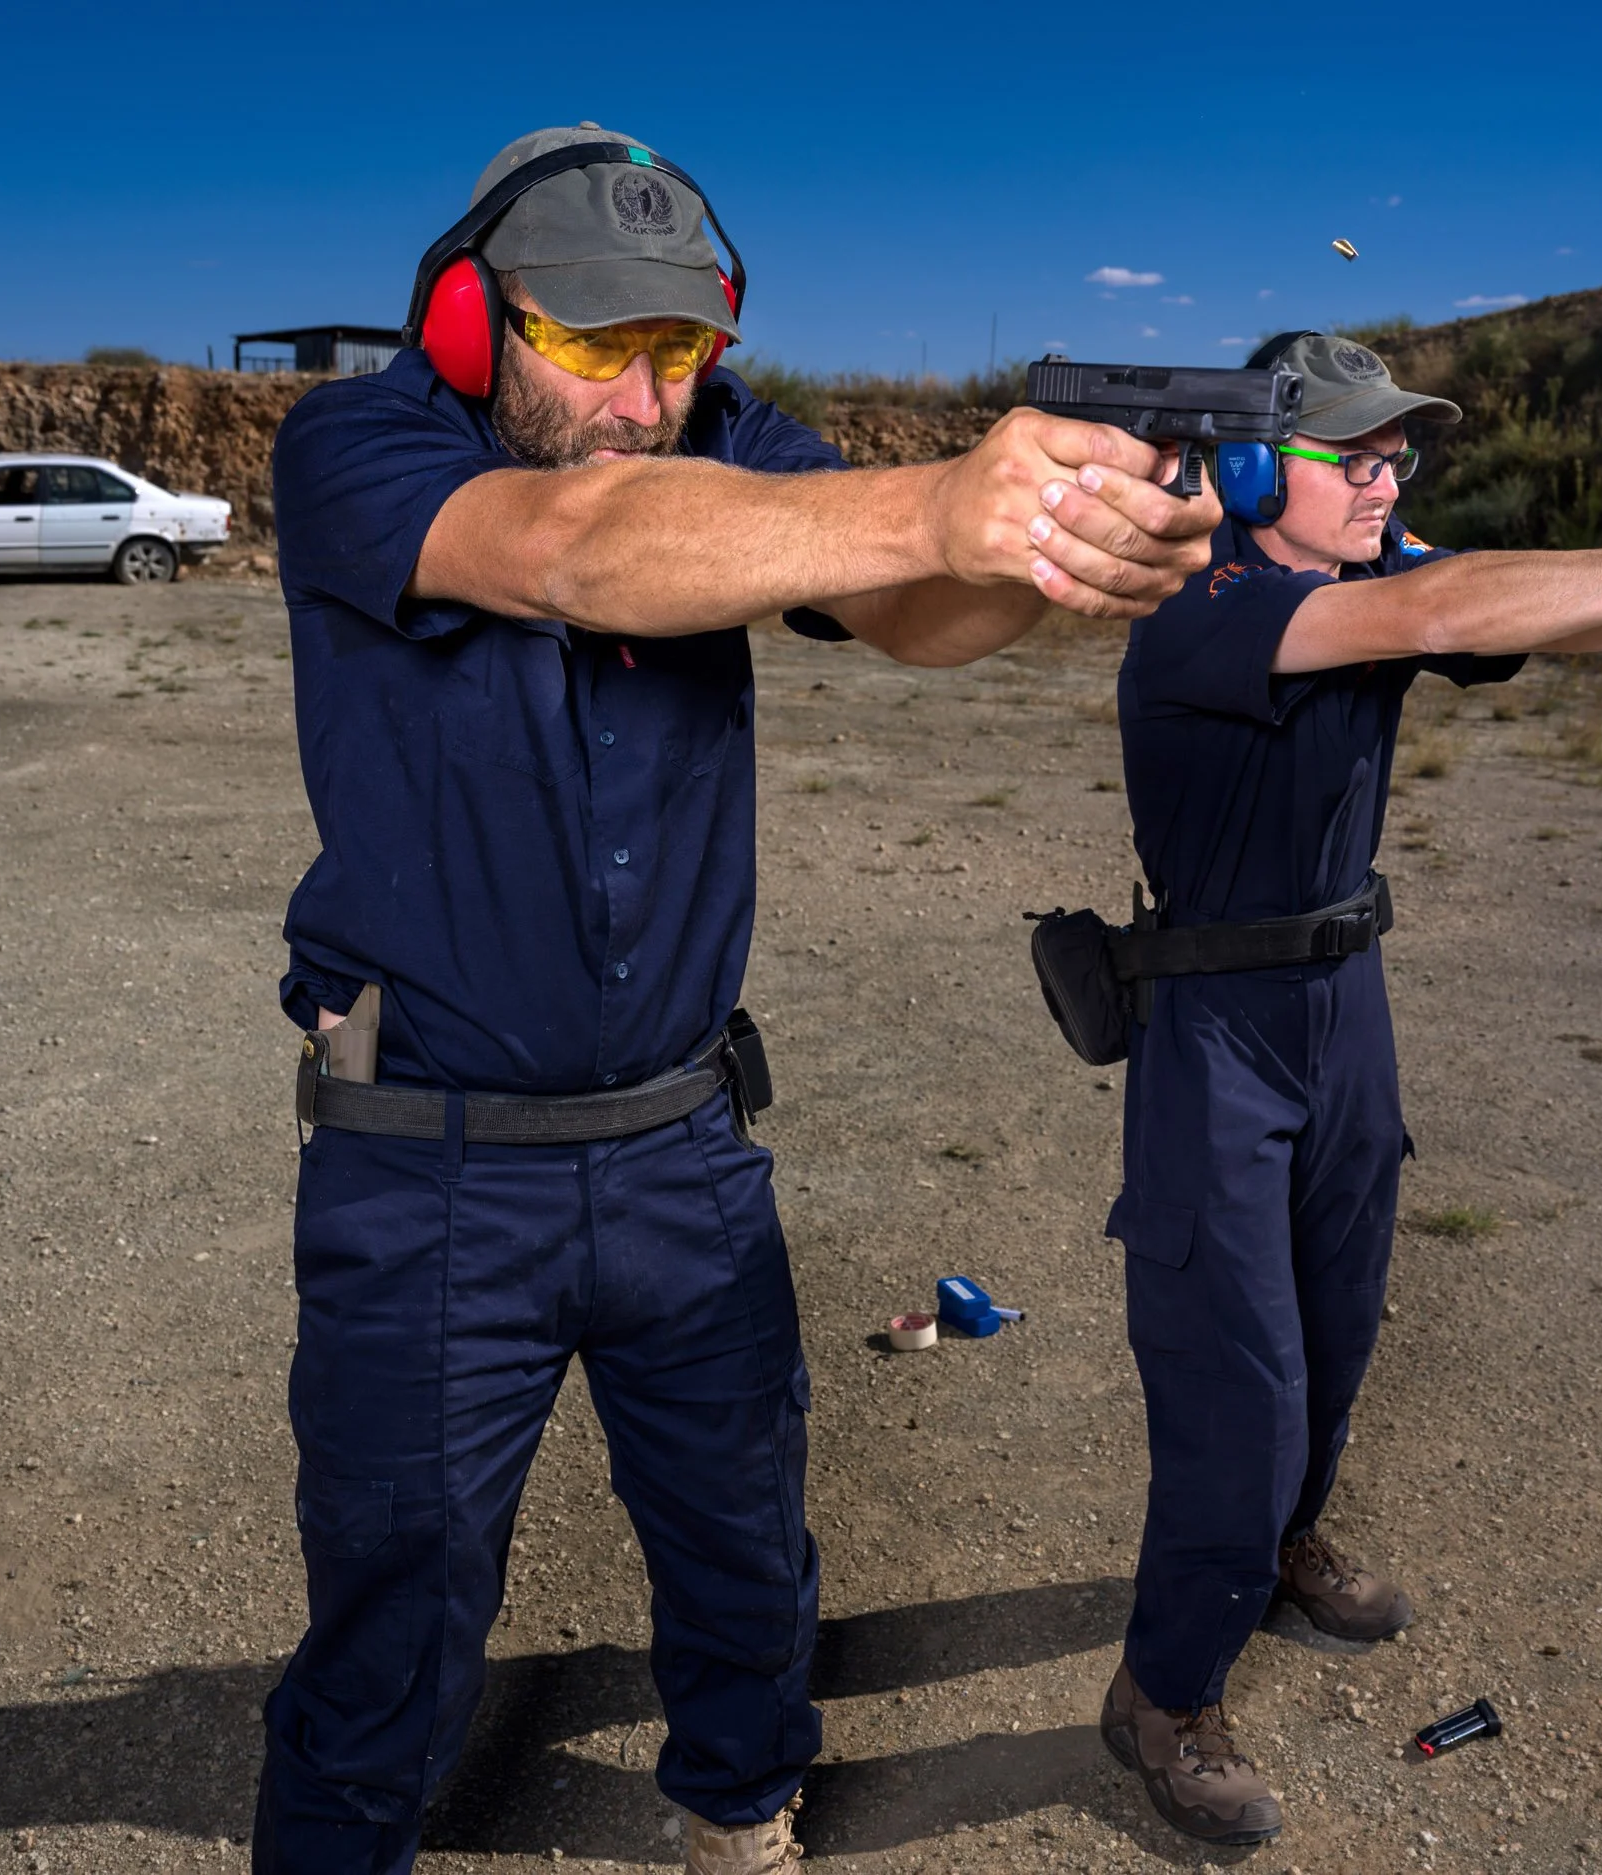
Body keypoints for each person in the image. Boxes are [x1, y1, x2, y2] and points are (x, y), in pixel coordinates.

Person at [252, 123, 1218, 1875]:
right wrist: (936, 495)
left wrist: (1057, 554)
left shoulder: (723, 436)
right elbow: (575, 547)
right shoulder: (357, 444)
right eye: (602, 344)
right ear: (471, 323)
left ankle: (737, 1805)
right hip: (434, 1165)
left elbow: (914, 606)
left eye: (682, 348)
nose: (648, 395)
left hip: (686, 1145)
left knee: (745, 1545)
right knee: (396, 1608)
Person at [1094, 330, 1602, 1845]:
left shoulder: (1366, 579)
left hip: (1345, 1003)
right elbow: (1455, 600)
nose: (1393, 475)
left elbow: (1542, 595)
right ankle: (1161, 1690)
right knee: (1242, 1387)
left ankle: (1273, 1548)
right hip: (1216, 1023)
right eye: (1361, 453)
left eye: (1404, 452)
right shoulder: (1202, 612)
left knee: (1336, 1328)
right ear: (1255, 466)